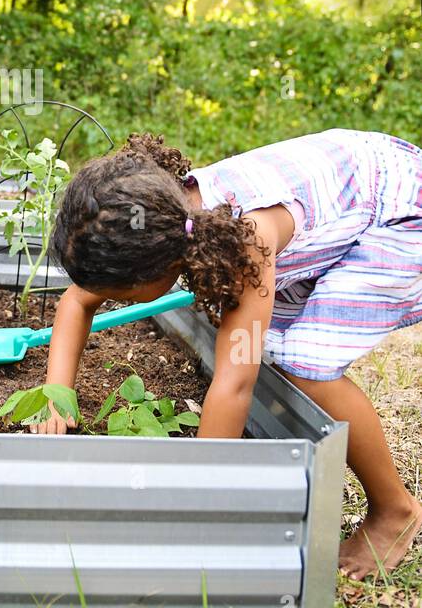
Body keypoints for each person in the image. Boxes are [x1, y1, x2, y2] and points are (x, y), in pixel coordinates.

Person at [41, 129, 422, 580]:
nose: (109, 299)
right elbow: (77, 300)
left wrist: (198, 501)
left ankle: (395, 510)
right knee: (251, 329)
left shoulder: (244, 240)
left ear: (157, 269)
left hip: (397, 212)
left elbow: (235, 383)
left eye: (119, 295)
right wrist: (56, 394)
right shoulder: (155, 212)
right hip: (346, 188)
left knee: (305, 365)